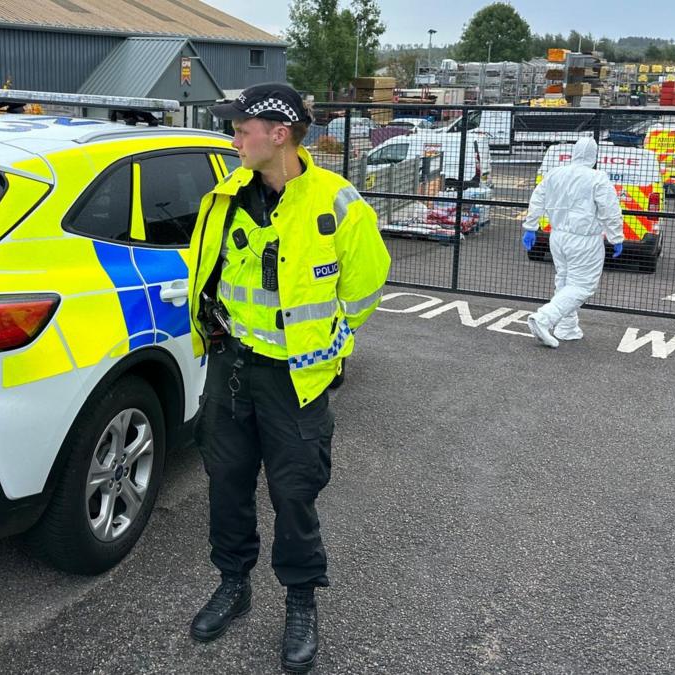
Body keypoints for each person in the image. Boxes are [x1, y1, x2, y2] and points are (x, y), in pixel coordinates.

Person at [186, 82, 391, 673]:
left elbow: (367, 284)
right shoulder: (224, 197)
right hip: (230, 368)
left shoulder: (338, 203)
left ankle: (300, 599)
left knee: (294, 493)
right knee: (226, 484)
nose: (233, 139)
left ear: (278, 135)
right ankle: (234, 583)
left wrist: (335, 342)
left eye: (241, 129)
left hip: (295, 381)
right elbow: (208, 270)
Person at [520, 137, 623, 347]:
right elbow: (610, 211)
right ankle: (543, 318)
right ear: (594, 156)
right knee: (582, 285)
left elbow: (537, 199)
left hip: (557, 237)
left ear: (574, 153)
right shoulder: (597, 178)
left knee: (565, 281)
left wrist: (531, 227)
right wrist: (616, 237)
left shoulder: (555, 173)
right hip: (585, 240)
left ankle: (567, 328)